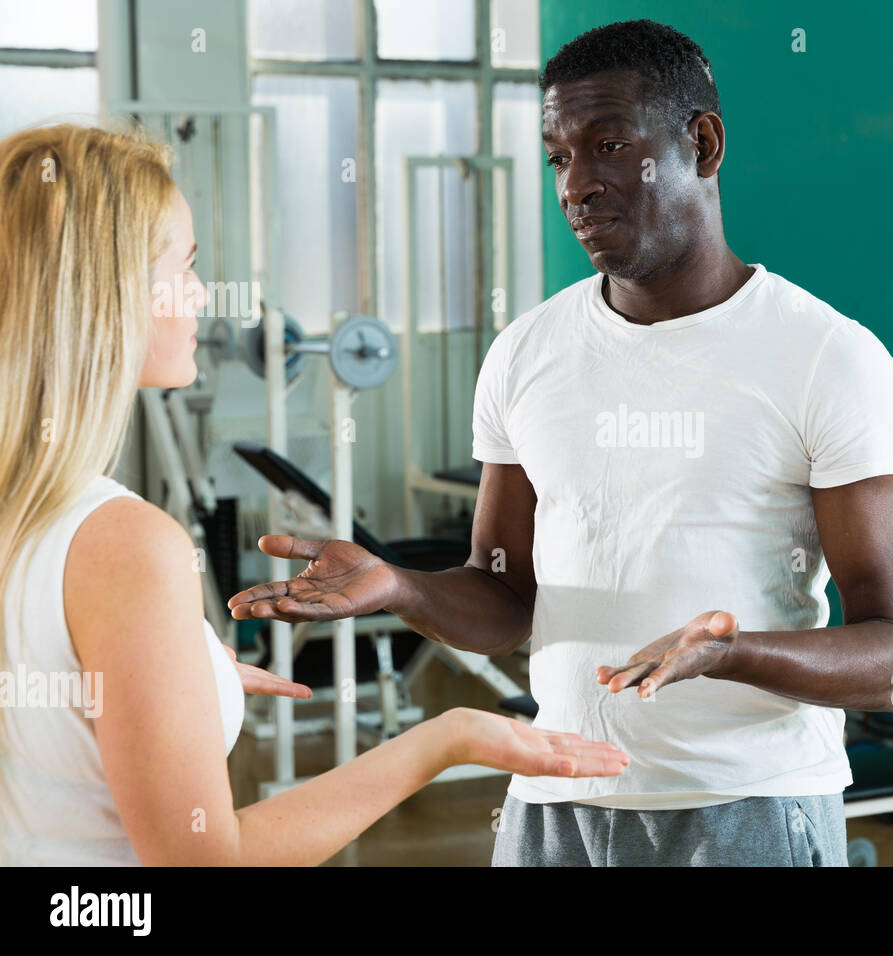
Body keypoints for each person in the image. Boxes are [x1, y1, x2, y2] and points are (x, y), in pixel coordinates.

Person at [230, 19, 893, 867]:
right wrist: (401, 589)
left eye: (609, 147)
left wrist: (732, 654)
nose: (579, 187)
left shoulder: (830, 360)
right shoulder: (527, 353)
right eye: (560, 157)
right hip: (552, 794)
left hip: (744, 804)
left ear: (702, 145)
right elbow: (504, 600)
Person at [0, 122, 628, 867]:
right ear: (105, 292)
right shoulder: (125, 545)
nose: (203, 295)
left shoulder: (32, 514)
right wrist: (449, 738)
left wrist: (165, 673)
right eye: (186, 267)